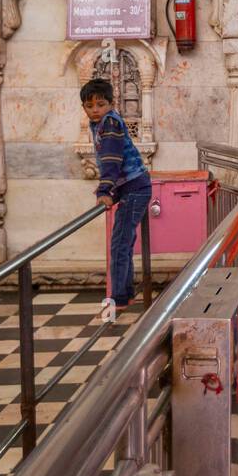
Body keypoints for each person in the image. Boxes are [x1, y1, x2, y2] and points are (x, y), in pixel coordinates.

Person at [81, 77, 152, 309]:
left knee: (120, 243)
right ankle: (125, 293)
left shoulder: (109, 124)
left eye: (100, 105)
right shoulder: (103, 123)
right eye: (89, 106)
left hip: (134, 188)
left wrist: (104, 189)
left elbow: (112, 160)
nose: (95, 110)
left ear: (111, 103)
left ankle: (120, 297)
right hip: (132, 187)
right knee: (123, 241)